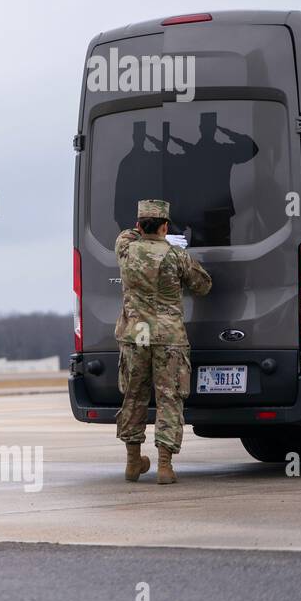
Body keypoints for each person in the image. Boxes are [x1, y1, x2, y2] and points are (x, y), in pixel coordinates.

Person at [114, 199, 212, 484]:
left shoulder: (126, 249)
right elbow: (203, 285)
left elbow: (126, 235)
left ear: (138, 224)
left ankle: (133, 463)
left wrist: (144, 234)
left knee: (134, 396)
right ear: (165, 226)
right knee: (169, 399)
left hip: (135, 337)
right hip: (169, 338)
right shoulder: (176, 256)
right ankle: (165, 466)